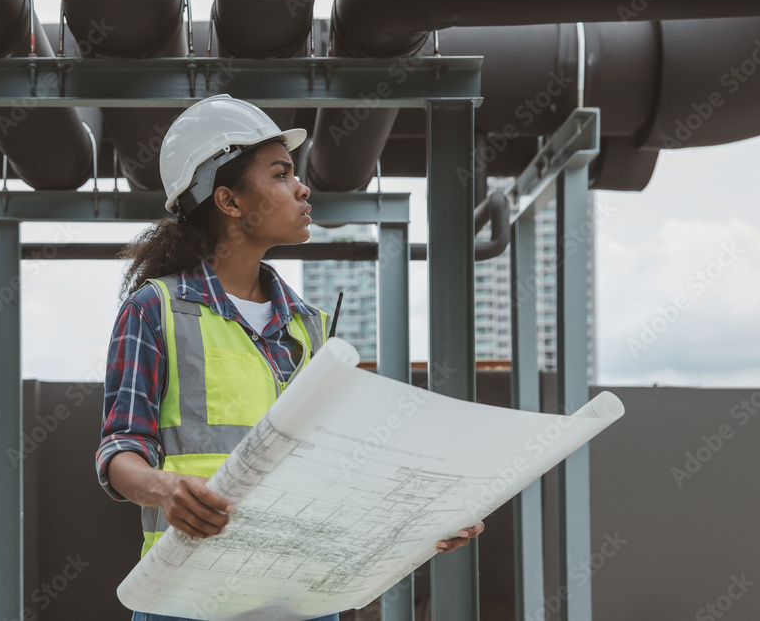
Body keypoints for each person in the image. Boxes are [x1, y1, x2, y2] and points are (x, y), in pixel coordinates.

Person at [96, 94, 485, 621]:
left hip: (299, 599)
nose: (302, 187)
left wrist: (422, 520)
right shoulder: (155, 310)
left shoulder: (310, 327)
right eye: (280, 174)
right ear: (230, 202)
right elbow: (120, 449)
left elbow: (338, 472)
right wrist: (164, 488)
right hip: (187, 599)